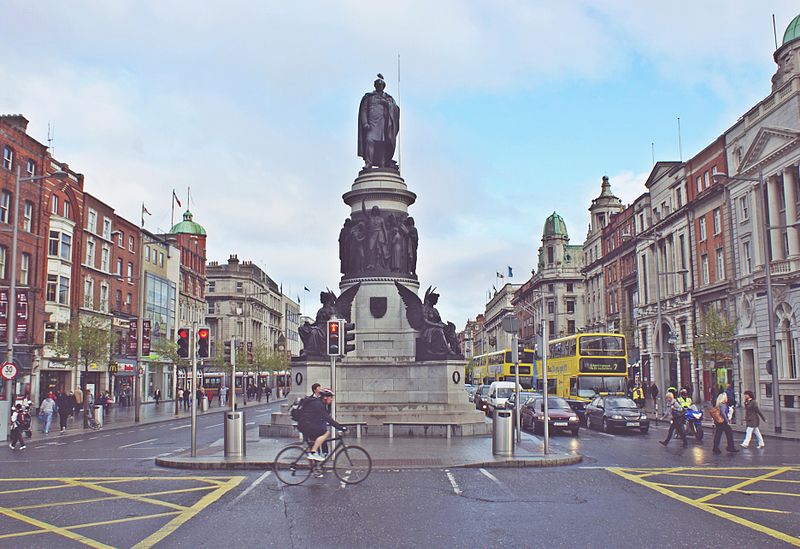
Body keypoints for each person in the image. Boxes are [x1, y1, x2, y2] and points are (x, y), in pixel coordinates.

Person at [357, 73, 400, 170]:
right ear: (375, 86)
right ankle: (369, 162)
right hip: (371, 125)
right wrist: (365, 123)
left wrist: (387, 104)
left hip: (383, 125)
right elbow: (363, 110)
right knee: (369, 141)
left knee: (382, 144)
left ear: (383, 86)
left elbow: (396, 109)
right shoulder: (369, 97)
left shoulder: (388, 98)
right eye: (377, 85)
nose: (379, 86)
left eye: (381, 85)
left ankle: (382, 163)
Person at [297, 388, 346, 461]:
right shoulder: (318, 404)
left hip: (306, 424)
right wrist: (340, 427)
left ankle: (315, 468)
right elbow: (328, 418)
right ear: (325, 397)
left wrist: (328, 406)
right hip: (305, 425)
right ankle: (313, 453)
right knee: (326, 433)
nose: (332, 399)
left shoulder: (320, 403)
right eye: (331, 397)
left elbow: (325, 415)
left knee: (316, 442)